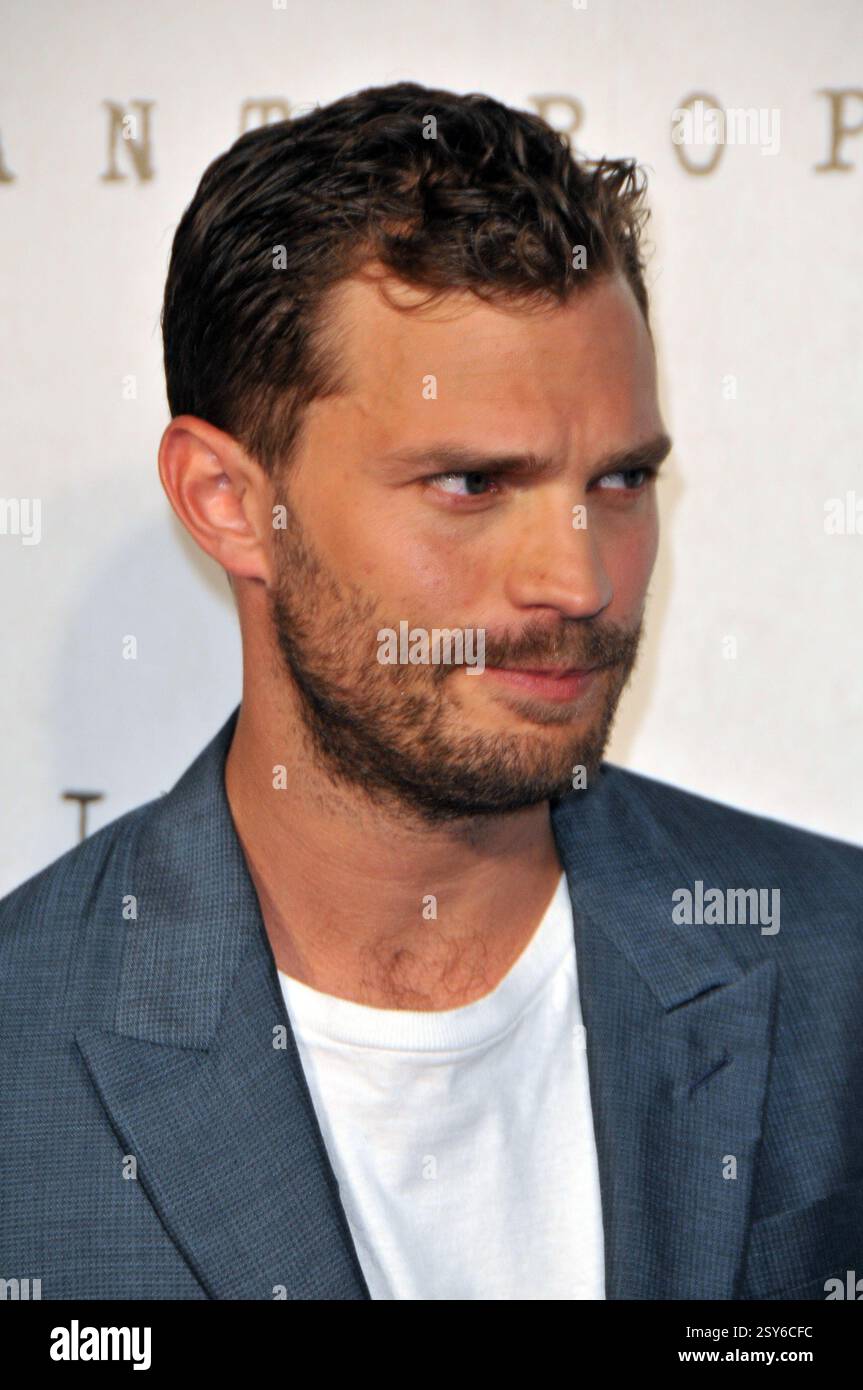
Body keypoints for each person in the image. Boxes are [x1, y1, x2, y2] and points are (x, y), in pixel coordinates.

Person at [1, 82, 861, 1302]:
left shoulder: (832, 957)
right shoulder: (21, 1052)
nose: (576, 576)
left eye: (617, 480)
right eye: (468, 484)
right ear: (228, 502)